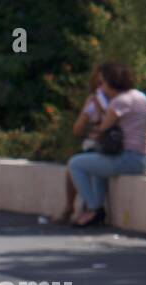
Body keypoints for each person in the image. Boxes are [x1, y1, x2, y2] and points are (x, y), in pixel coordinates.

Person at [67, 62, 146, 228]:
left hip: (129, 158)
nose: (101, 87)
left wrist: (97, 106)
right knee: (97, 167)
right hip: (145, 157)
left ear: (110, 82)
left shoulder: (119, 102)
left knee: (75, 164)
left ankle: (94, 209)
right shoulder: (140, 96)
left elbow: (102, 128)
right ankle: (95, 209)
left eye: (102, 82)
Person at [55, 69, 109, 224]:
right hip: (91, 145)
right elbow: (77, 129)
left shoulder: (118, 102)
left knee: (82, 165)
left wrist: (102, 109)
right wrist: (88, 111)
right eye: (98, 83)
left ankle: (92, 208)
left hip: (106, 146)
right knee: (72, 166)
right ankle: (69, 206)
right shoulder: (92, 101)